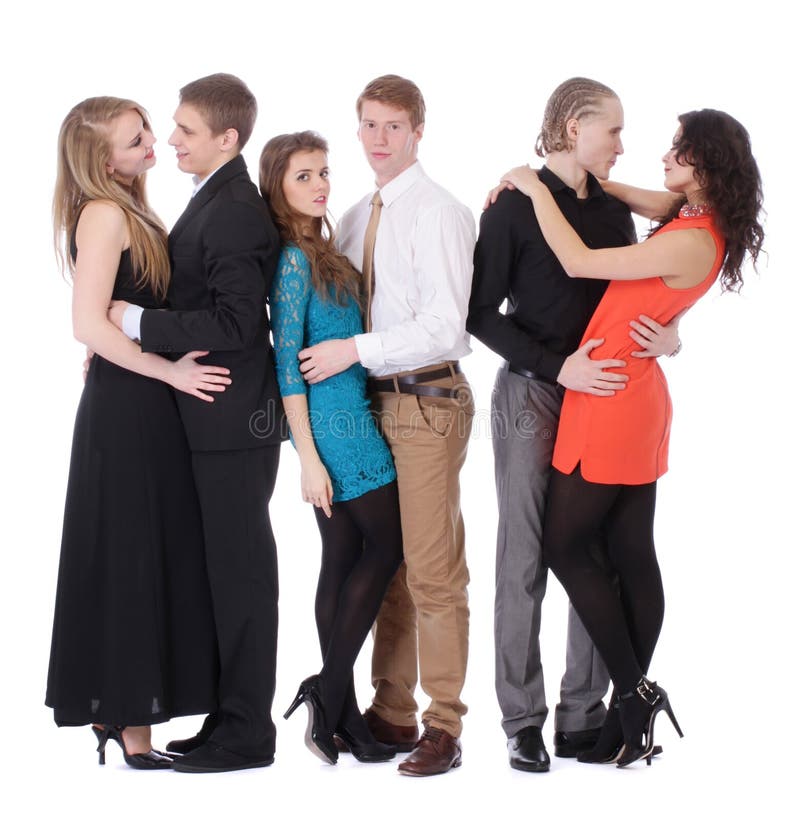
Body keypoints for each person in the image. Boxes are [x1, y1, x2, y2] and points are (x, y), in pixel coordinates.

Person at [500, 107, 764, 767]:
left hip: (612, 400)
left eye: (681, 150)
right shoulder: (695, 216)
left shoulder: (690, 238)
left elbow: (580, 259)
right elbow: (641, 196)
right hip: (629, 390)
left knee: (564, 546)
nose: (665, 155)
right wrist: (589, 177)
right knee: (627, 548)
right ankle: (630, 701)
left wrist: (535, 187)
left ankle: (634, 691)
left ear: (709, 166)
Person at [468, 77, 681, 772]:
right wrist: (556, 368)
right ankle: (521, 720)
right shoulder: (512, 208)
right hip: (534, 395)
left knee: (589, 555)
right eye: (612, 131)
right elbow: (477, 314)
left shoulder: (614, 211)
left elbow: (652, 286)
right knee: (525, 557)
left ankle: (582, 714)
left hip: (607, 402)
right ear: (571, 126)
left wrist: (670, 338)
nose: (623, 146)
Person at [297, 75, 475, 776]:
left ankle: (445, 726)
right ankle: (392, 711)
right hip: (369, 407)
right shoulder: (350, 216)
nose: (378, 139)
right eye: (368, 125)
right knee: (391, 563)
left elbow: (443, 326)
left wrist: (352, 351)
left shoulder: (440, 212)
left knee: (433, 571)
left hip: (426, 402)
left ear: (418, 131)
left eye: (393, 126)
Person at [109, 74, 285, 774]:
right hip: (208, 419)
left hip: (233, 421)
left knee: (242, 577)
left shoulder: (236, 209)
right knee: (219, 576)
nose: (171, 139)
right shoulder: (215, 199)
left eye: (184, 129)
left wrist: (138, 322)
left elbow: (241, 323)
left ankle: (248, 733)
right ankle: (228, 718)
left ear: (228, 139)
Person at [46, 96, 226, 768]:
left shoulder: (130, 207)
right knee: (133, 554)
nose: (154, 142)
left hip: (141, 400)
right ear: (102, 160)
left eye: (148, 130)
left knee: (151, 548)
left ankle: (125, 715)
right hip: (128, 406)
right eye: (136, 139)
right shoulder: (103, 213)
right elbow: (87, 324)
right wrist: (168, 373)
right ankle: (128, 723)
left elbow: (121, 315)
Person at [259, 131, 403, 765]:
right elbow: (286, 362)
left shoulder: (325, 247)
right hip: (333, 423)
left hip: (350, 407)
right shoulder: (293, 260)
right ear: (278, 190)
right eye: (302, 177)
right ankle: (331, 690)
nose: (319, 185)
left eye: (322, 172)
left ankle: (337, 716)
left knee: (344, 553)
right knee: (388, 545)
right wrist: (310, 458)